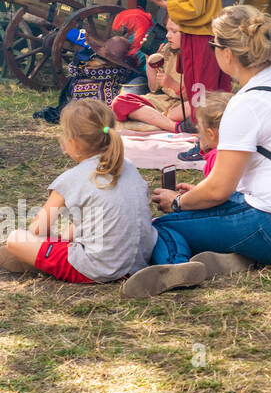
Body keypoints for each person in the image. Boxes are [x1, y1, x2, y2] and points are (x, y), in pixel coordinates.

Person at [122, 5, 271, 298]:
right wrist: (197, 196)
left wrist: (179, 203)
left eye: (213, 44)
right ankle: (238, 256)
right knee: (210, 210)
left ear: (226, 53)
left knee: (162, 227)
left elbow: (219, 191)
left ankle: (175, 266)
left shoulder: (244, 104)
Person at [0, 101, 155, 284]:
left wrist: (49, 243)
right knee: (79, 224)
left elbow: (37, 229)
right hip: (138, 262)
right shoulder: (128, 166)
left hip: (99, 269)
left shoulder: (72, 178)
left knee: (15, 238)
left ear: (72, 142)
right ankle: (46, 254)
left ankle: (42, 260)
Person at [110, 18, 188, 133]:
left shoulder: (196, 58)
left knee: (196, 111)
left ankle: (163, 123)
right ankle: (168, 124)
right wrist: (149, 58)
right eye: (167, 31)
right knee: (119, 102)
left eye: (174, 32)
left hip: (181, 107)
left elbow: (196, 98)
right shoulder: (166, 50)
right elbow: (153, 87)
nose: (167, 36)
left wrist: (173, 85)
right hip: (160, 101)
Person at [193, 91, 233, 179]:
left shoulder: (217, 157)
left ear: (210, 134)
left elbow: (215, 191)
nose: (196, 127)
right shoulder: (243, 152)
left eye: (199, 125)